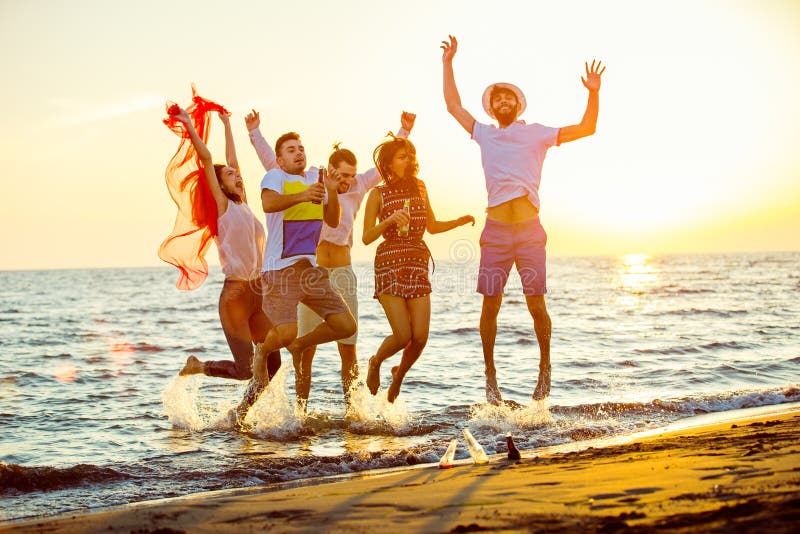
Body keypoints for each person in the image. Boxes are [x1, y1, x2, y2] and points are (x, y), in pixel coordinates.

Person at [440, 35, 604, 404]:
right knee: (490, 305)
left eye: (507, 97)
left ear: (517, 103)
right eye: (496, 99)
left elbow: (587, 127)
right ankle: (490, 376)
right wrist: (448, 62)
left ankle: (545, 369)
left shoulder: (537, 133)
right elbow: (453, 105)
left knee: (536, 304)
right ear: (492, 107)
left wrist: (593, 92)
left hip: (530, 232)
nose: (502, 102)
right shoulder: (483, 134)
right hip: (496, 232)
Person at [293, 112, 416, 408]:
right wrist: (254, 134)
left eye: (351, 175)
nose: (347, 180)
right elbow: (277, 168)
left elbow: (383, 166)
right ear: (330, 169)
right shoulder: (315, 182)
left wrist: (404, 130)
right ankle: (300, 414)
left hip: (344, 273)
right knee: (305, 349)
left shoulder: (360, 185)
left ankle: (353, 415)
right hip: (313, 273)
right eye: (342, 174)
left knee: (348, 347)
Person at [166, 105, 281, 414]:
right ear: (219, 184)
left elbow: (233, 161)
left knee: (273, 361)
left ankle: (240, 413)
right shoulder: (222, 206)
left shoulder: (244, 205)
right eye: (230, 176)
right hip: (235, 297)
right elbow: (207, 159)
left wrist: (228, 124)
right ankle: (200, 366)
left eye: (236, 174)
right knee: (246, 369)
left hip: (258, 295)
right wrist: (190, 125)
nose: (237, 176)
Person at [247, 130, 358, 415]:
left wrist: (331, 190)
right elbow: (268, 204)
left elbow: (332, 220)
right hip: (279, 270)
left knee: (347, 326)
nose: (298, 152)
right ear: (280, 159)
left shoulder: (316, 179)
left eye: (301, 148)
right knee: (284, 331)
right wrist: (304, 195)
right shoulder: (276, 177)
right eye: (291, 150)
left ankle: (299, 346)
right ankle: (262, 350)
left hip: (309, 269)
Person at [362, 135, 475, 403]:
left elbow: (432, 227)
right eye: (403, 156)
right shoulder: (377, 194)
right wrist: (388, 219)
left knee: (420, 337)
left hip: (416, 260)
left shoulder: (420, 188)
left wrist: (459, 221)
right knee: (403, 336)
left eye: (411, 155)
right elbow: (367, 237)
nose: (409, 160)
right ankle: (376, 362)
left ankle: (398, 376)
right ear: (389, 164)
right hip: (389, 262)